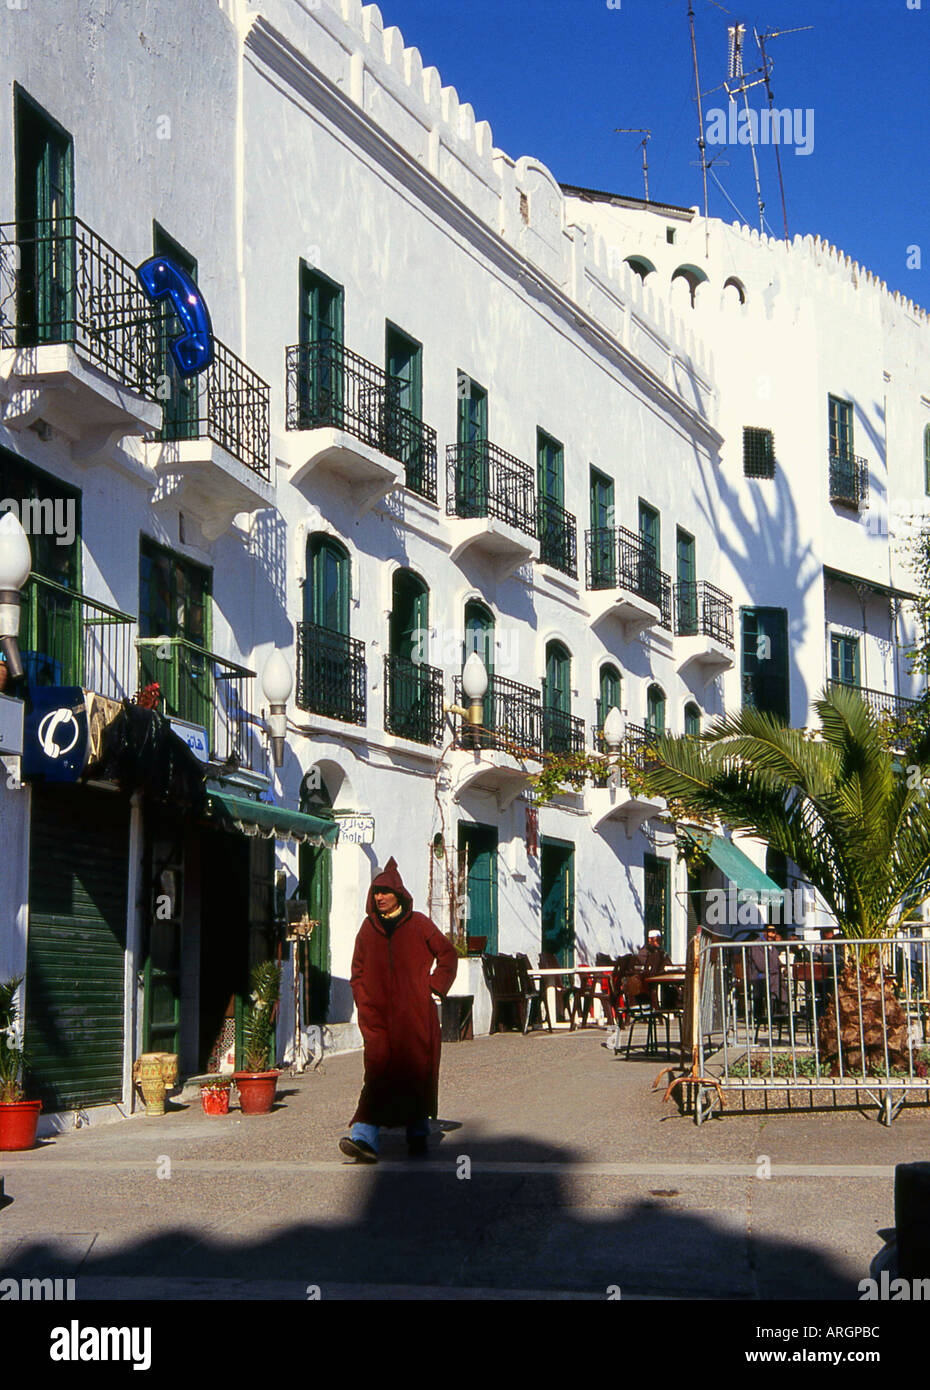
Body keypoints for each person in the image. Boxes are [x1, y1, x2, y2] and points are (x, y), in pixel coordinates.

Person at [339, 857, 458, 1164]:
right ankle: (364, 1138)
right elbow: (358, 972)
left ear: (398, 894)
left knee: (414, 1073)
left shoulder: (419, 924)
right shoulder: (368, 929)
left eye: (385, 892)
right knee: (377, 1073)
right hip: (376, 1018)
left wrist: (432, 986)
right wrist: (364, 1002)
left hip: (414, 1017)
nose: (379, 897)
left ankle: (417, 1133)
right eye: (375, 891)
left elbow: (447, 954)